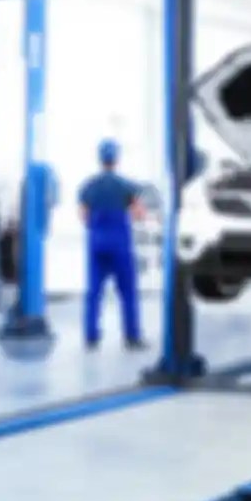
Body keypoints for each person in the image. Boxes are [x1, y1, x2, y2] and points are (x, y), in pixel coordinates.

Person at [79, 139, 147, 351]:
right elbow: (139, 214)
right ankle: (132, 337)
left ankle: (91, 337)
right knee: (127, 291)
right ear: (116, 158)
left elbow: (83, 216)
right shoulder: (126, 186)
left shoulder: (88, 187)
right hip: (120, 244)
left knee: (93, 292)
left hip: (96, 244)